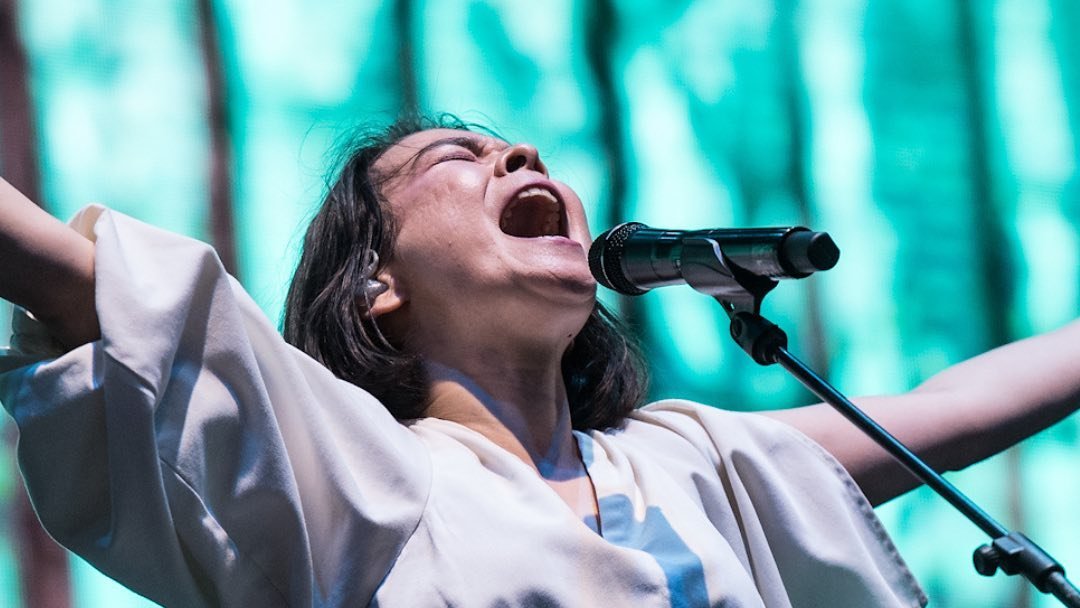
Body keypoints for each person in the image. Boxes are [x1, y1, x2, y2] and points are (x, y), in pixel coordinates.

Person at [0, 114, 1078, 607]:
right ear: (377, 284)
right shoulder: (354, 469)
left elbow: (955, 405)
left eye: (524, 153)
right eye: (455, 156)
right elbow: (72, 274)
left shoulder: (693, 462)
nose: (520, 154)